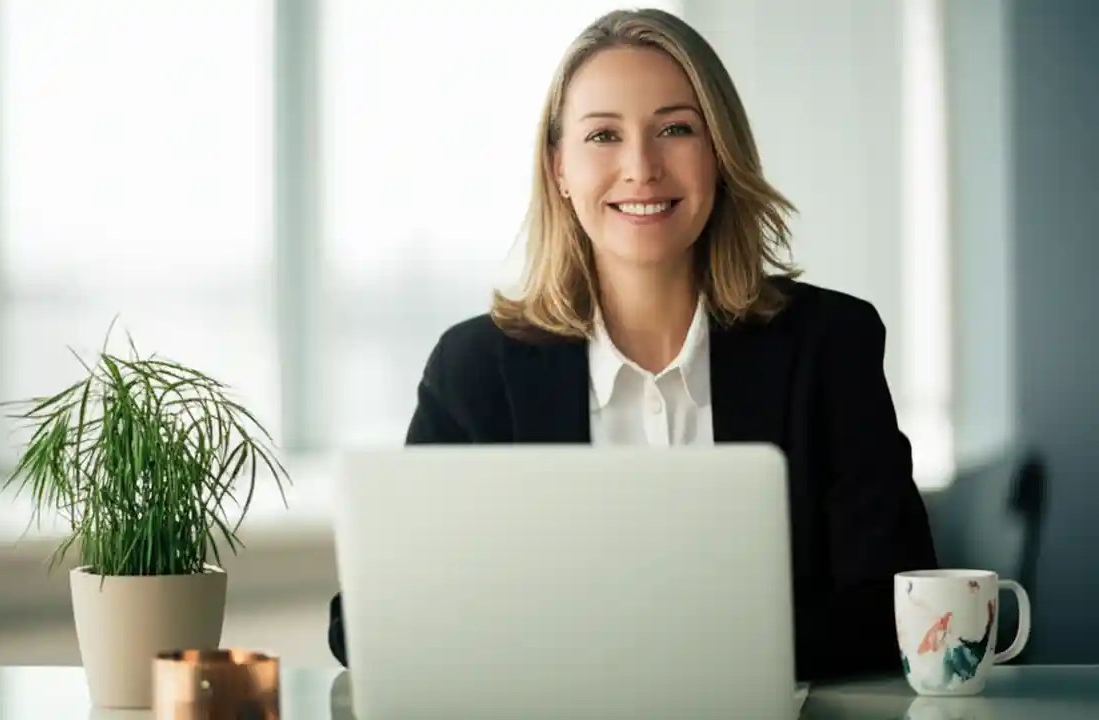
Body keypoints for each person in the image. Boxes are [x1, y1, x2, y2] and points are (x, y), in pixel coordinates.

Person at [327, 7, 936, 682]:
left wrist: (628, 642)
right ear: (558, 166)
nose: (641, 168)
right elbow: (365, 624)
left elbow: (895, 609)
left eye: (676, 129)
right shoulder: (475, 370)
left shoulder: (830, 346)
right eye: (603, 136)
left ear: (720, 153)